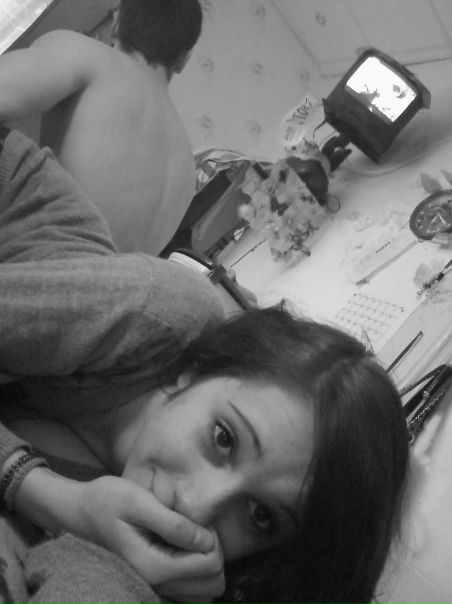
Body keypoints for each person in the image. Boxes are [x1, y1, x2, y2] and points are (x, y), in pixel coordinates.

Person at [0, 129, 410, 604]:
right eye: (223, 439)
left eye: (260, 516)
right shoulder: (161, 316)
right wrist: (45, 493)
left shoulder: (158, 559)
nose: (196, 506)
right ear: (191, 372)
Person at [0, 0, 203, 255]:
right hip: (96, 279)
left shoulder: (88, 57)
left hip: (27, 263)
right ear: (184, 59)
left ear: (116, 23)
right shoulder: (186, 166)